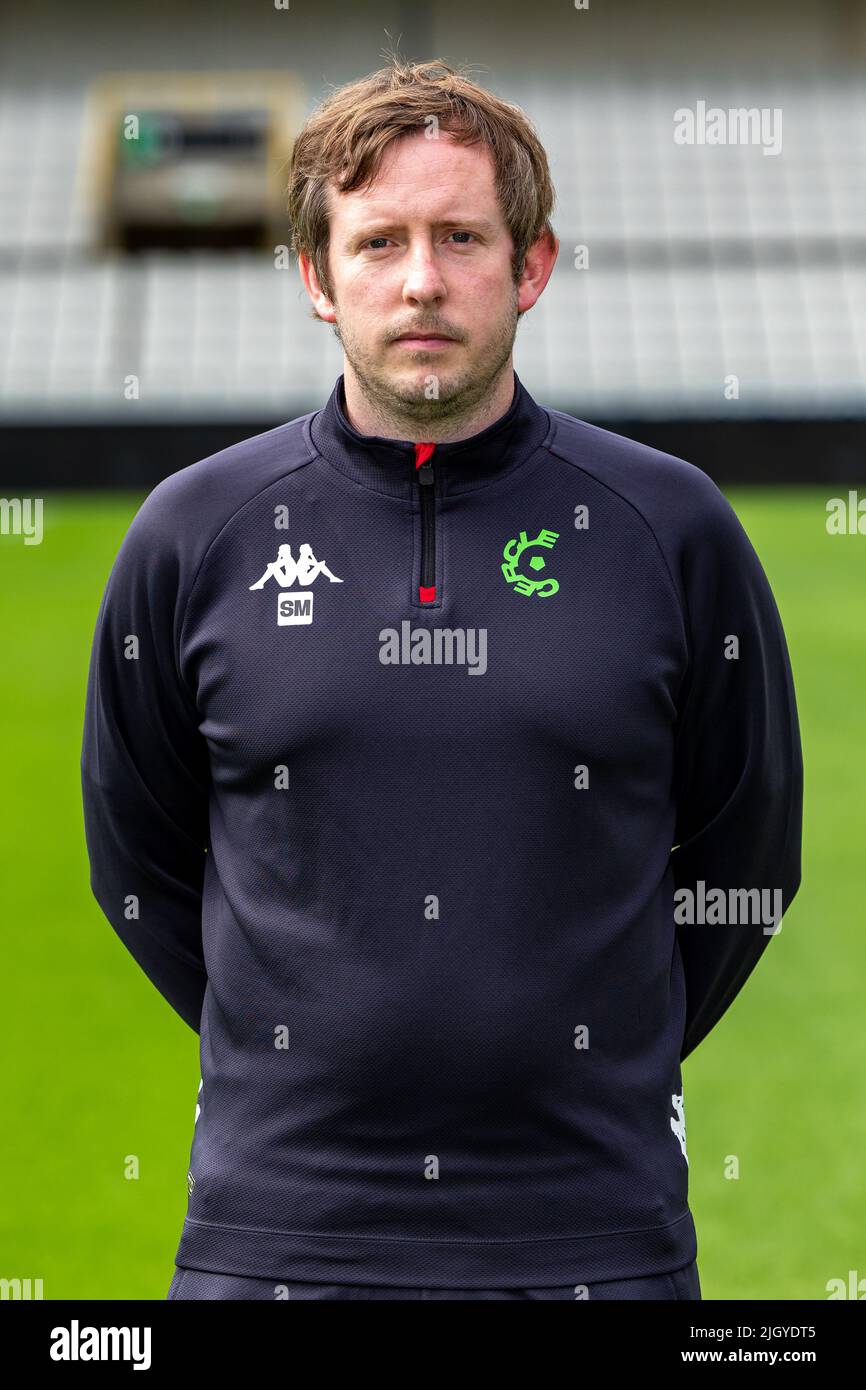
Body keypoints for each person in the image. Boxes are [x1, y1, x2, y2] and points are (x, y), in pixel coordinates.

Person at [80, 57, 803, 1301]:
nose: (420, 280)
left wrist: (595, 1062)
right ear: (316, 276)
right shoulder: (193, 535)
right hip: (279, 1237)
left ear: (530, 266)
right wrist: (295, 1056)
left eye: (460, 236)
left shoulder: (667, 529)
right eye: (377, 242)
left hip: (592, 1234)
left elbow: (744, 857)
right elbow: (137, 861)